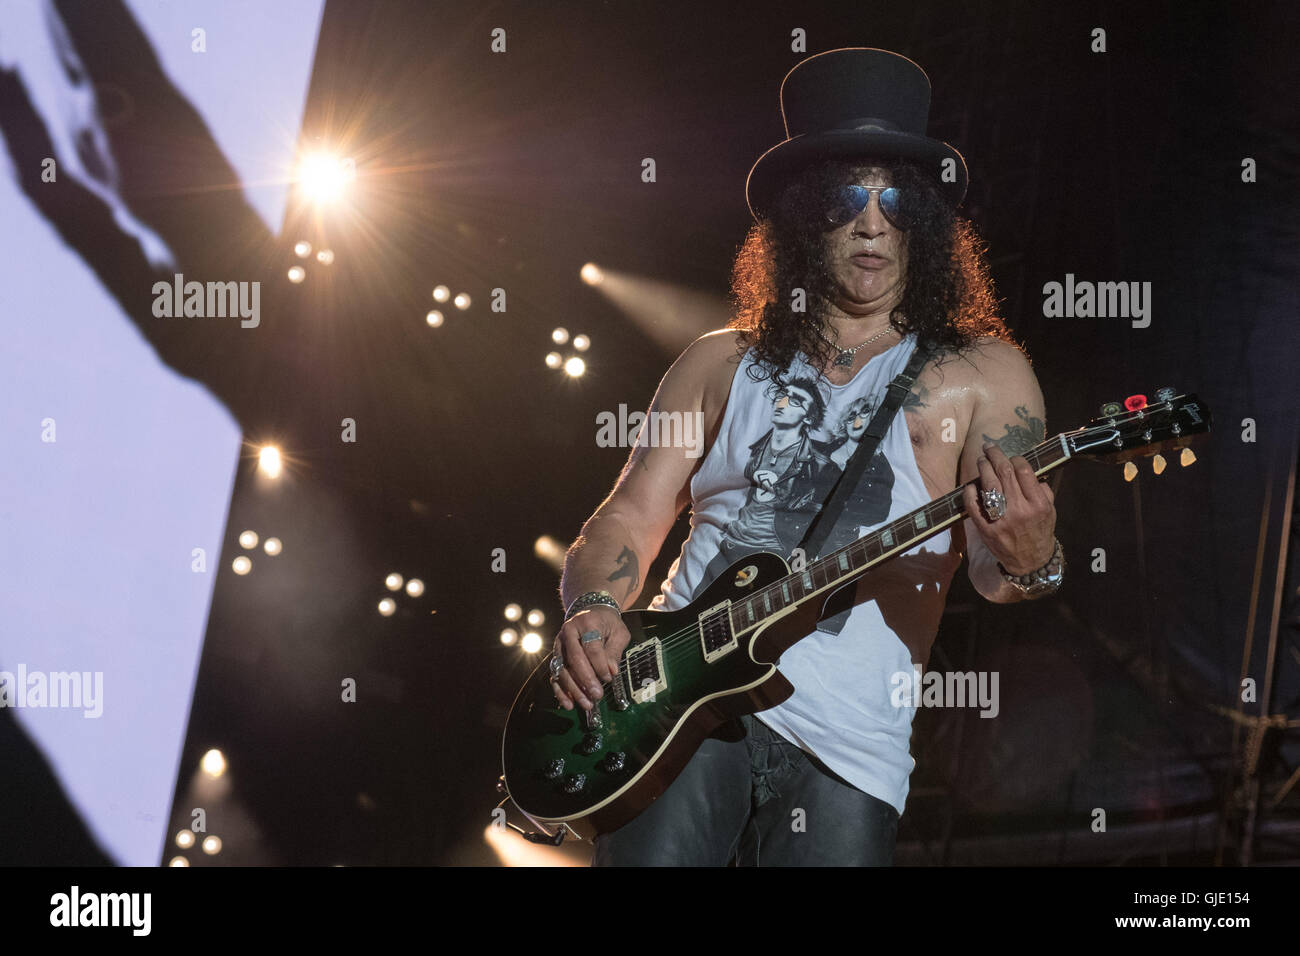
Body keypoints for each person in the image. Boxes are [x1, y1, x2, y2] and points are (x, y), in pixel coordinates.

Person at [548, 48, 1062, 866]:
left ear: (923, 217)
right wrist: (592, 610)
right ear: (797, 215)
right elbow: (633, 513)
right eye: (841, 196)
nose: (870, 221)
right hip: (685, 712)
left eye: (894, 197)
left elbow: (995, 576)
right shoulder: (718, 363)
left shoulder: (984, 377)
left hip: (851, 752)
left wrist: (1031, 559)